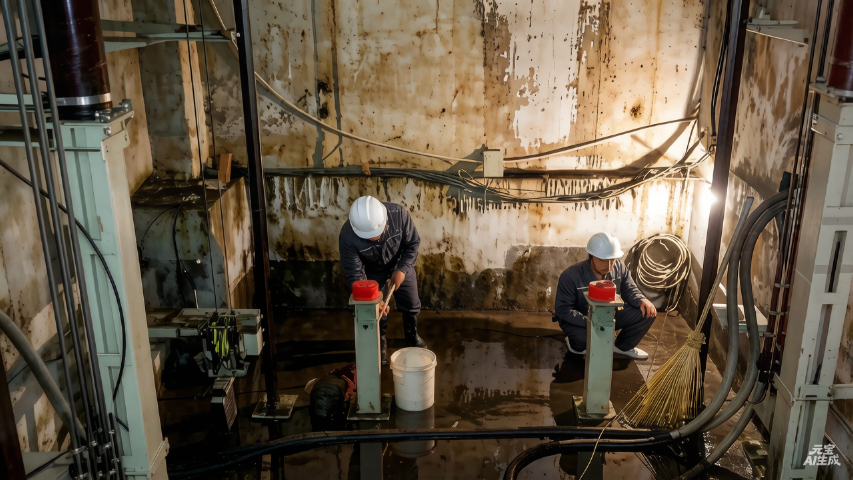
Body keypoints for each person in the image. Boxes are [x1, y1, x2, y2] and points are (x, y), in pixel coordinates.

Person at [339, 196, 427, 365]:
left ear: (385, 220)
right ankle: (380, 341)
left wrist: (402, 270)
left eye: (377, 233)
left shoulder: (399, 215)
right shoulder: (347, 236)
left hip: (400, 264)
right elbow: (355, 273)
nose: (376, 239)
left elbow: (413, 243)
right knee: (378, 310)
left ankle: (411, 336)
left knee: (411, 301)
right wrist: (371, 300)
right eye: (369, 237)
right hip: (372, 272)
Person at [553, 232, 657, 360]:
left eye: (612, 260)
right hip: (581, 319)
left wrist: (642, 299)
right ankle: (575, 344)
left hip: (608, 315)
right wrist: (590, 322)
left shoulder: (620, 268)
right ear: (592, 257)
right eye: (603, 260)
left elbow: (630, 290)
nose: (608, 266)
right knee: (586, 340)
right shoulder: (570, 276)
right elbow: (563, 310)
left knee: (647, 312)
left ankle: (622, 347)